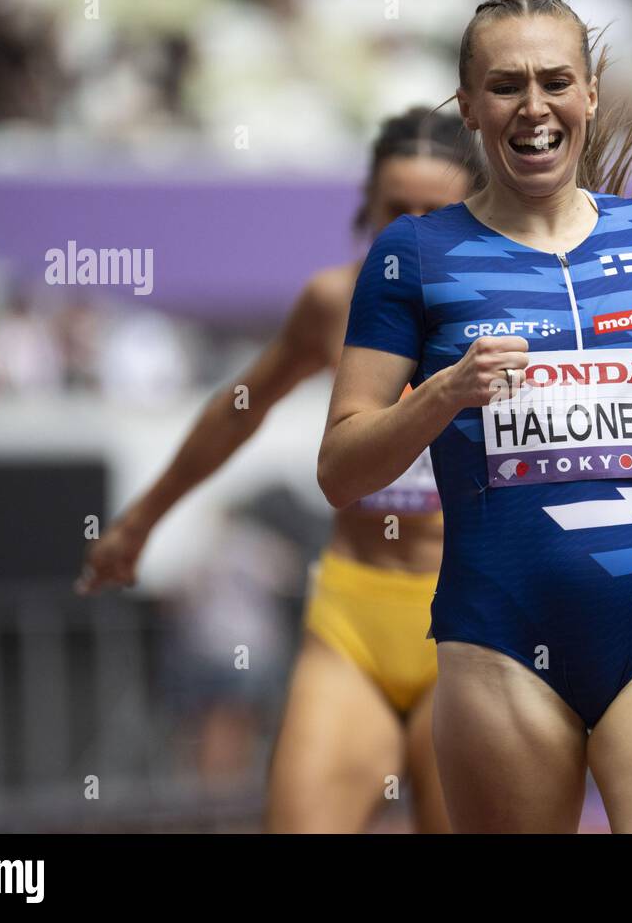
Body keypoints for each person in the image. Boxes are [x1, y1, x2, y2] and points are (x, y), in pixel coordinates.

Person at [318, 0, 632, 833]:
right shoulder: (414, 255)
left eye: (555, 81)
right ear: (467, 105)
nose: (533, 106)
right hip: (500, 646)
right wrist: (443, 394)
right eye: (505, 85)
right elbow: (340, 467)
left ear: (589, 97)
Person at [77, 107, 481, 832]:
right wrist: (141, 521)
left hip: (471, 626)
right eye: (398, 210)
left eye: (438, 212)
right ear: (367, 210)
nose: (415, 230)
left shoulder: (510, 307)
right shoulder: (333, 303)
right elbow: (239, 407)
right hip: (352, 621)